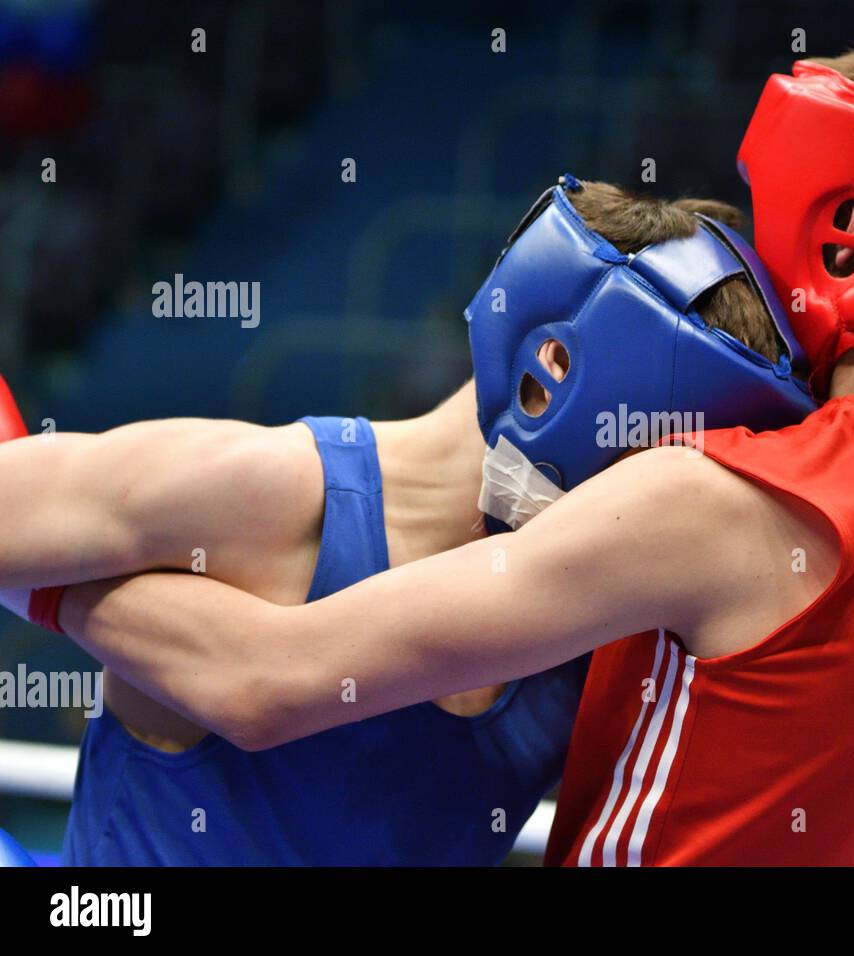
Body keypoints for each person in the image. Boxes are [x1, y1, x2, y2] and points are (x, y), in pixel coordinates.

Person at [0, 179, 809, 864]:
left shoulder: (604, 630)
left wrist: (61, 596)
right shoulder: (261, 491)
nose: (674, 503)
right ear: (553, 366)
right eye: (659, 452)